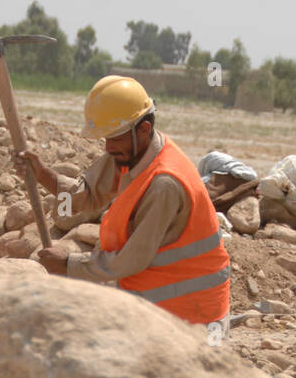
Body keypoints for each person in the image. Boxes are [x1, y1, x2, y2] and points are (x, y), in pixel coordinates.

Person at [14, 76, 231, 338]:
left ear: (143, 128)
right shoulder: (131, 153)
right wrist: (42, 175)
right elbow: (86, 198)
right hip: (154, 305)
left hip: (192, 318)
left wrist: (69, 265)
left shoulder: (165, 184)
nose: (108, 146)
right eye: (105, 137)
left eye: (114, 137)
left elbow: (130, 261)